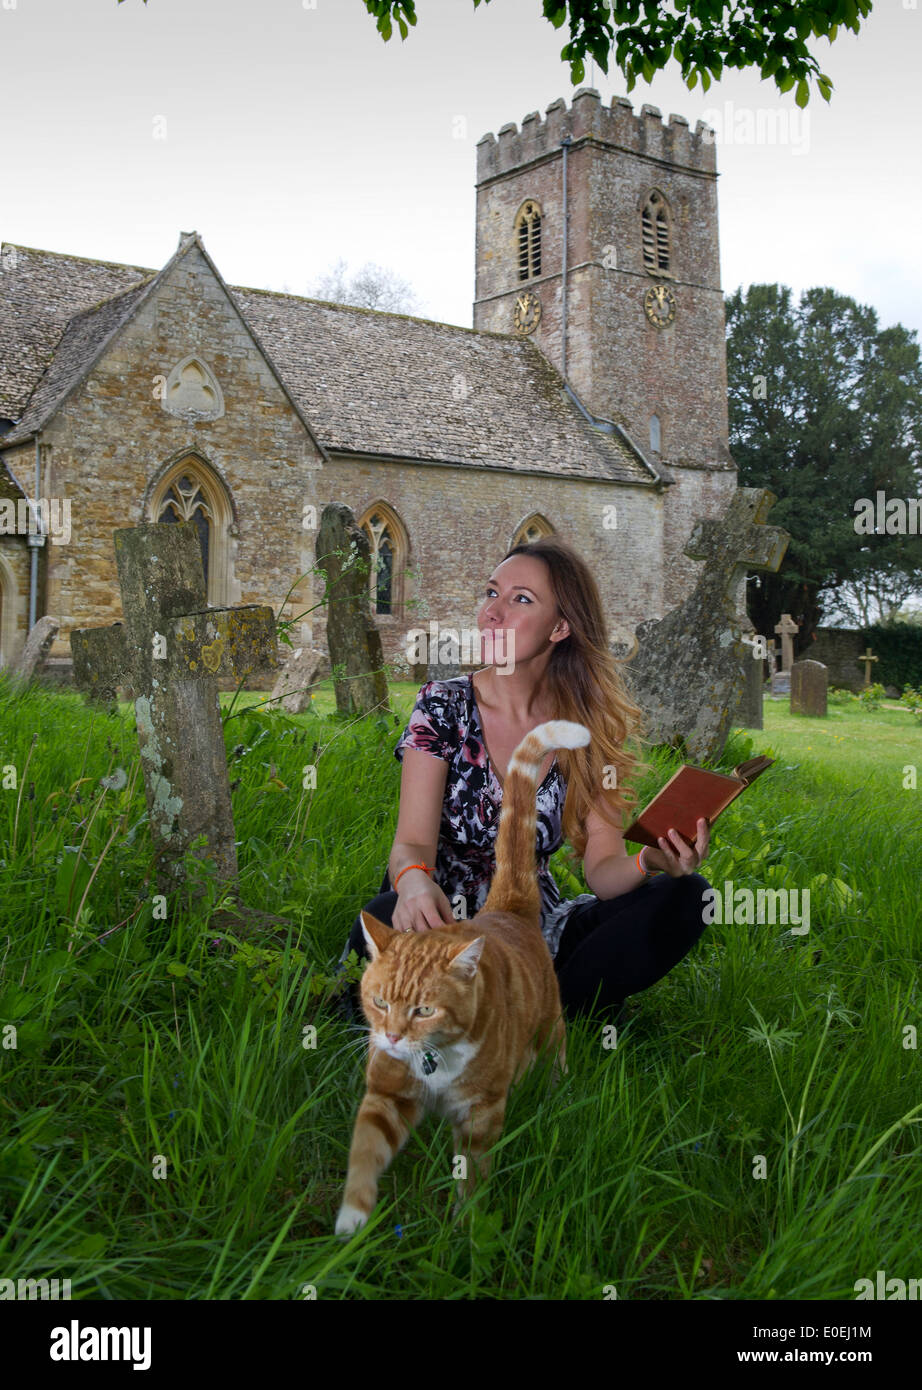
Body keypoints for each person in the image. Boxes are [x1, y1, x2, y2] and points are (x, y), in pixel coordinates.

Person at [336, 537, 712, 1026]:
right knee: (384, 912)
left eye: (520, 599)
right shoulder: (442, 705)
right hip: (438, 915)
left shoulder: (587, 729)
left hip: (531, 927)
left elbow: (602, 871)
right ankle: (495, 1008)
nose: (493, 611)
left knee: (687, 896)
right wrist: (412, 885)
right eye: (491, 592)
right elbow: (410, 843)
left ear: (560, 627)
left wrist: (649, 860)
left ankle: (541, 1002)